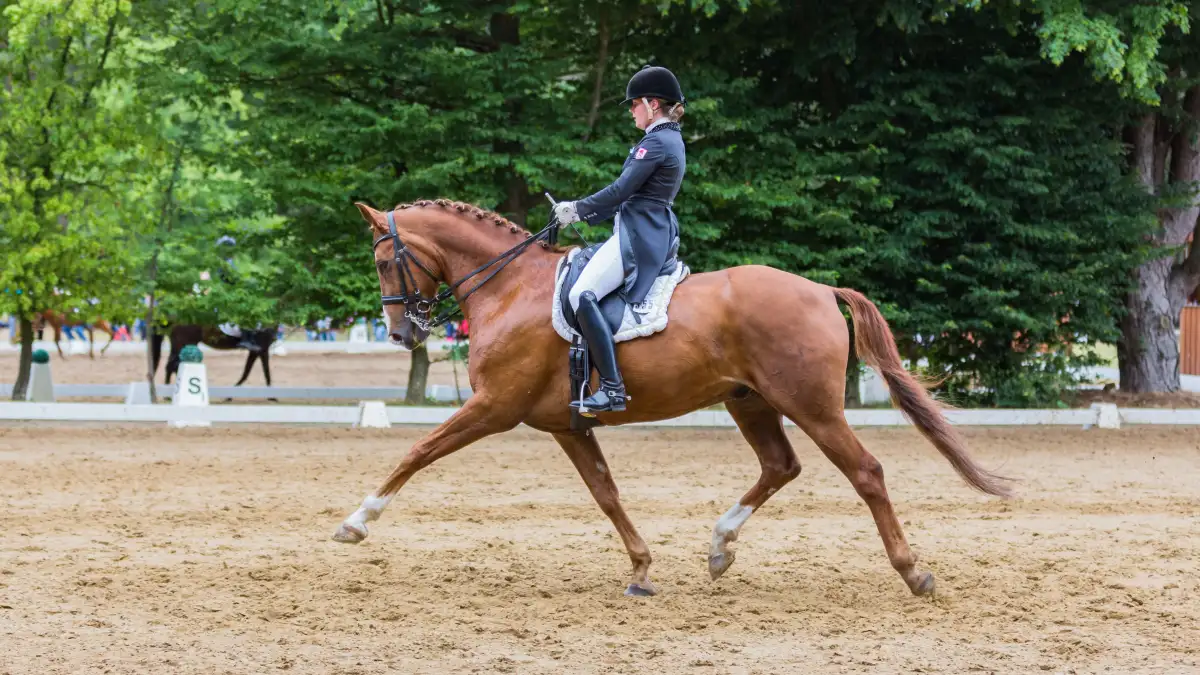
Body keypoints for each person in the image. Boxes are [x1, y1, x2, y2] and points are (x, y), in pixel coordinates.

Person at [551, 65, 688, 413]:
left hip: (641, 234)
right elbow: (630, 196)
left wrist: (577, 209)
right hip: (644, 227)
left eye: (634, 105)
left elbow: (621, 190)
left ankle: (612, 388)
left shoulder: (657, 142)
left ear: (652, 104)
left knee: (583, 294)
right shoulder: (666, 139)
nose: (631, 111)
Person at [214, 235, 262, 352]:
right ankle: (245, 340)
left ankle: (251, 337)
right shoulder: (221, 263)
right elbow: (224, 279)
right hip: (224, 292)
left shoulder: (233, 262)